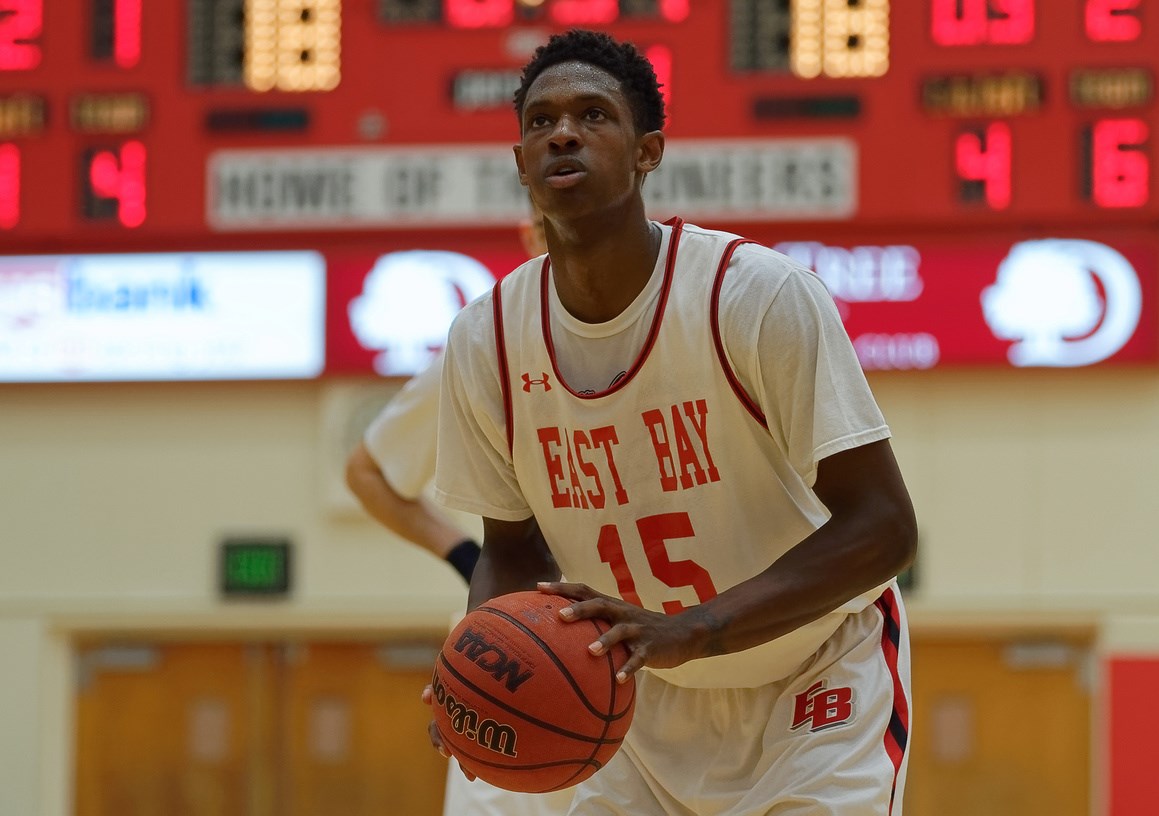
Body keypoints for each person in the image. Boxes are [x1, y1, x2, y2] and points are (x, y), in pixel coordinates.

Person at [431, 28, 918, 815]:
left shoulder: (754, 296)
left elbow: (884, 527)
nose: (562, 132)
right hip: (633, 691)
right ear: (520, 163)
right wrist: (479, 668)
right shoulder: (484, 338)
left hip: (811, 673)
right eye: (541, 121)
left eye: (593, 115)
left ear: (647, 151)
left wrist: (692, 628)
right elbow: (511, 549)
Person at [346, 207, 575, 816]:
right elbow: (368, 472)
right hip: (517, 648)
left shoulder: (669, 338)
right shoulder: (484, 344)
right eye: (549, 218)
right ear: (528, 234)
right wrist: (468, 558)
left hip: (633, 642)